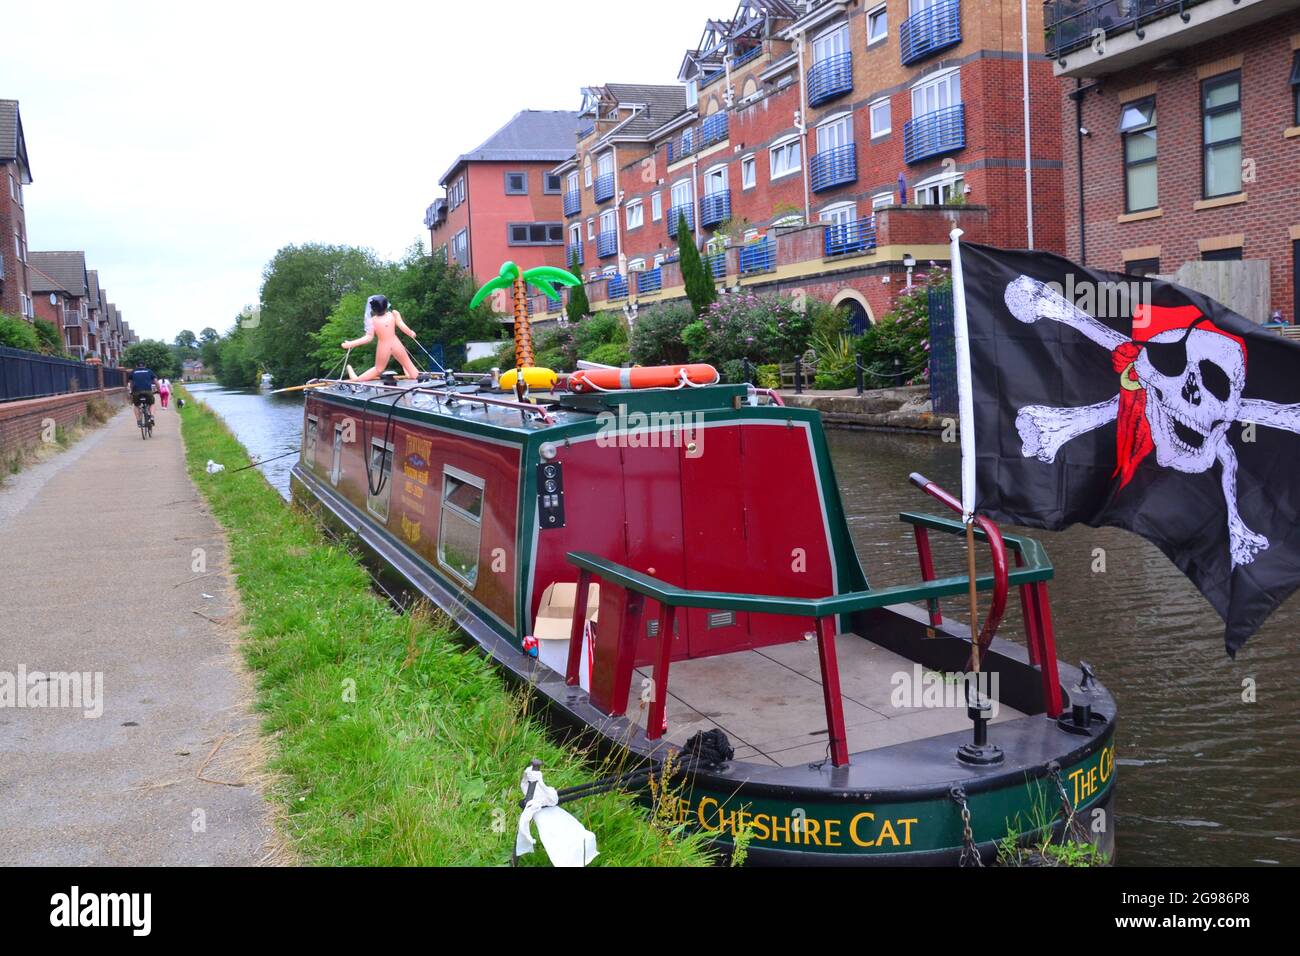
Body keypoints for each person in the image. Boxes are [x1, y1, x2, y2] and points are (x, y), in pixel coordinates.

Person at [342, 295, 420, 382]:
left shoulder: (372, 320)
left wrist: (351, 344)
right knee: (408, 364)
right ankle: (413, 374)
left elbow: (368, 338)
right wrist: (410, 332)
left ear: (373, 309)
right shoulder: (393, 314)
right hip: (395, 344)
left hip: (384, 346)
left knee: (379, 369)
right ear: (386, 305)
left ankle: (357, 379)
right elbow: (401, 325)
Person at [129, 362, 156, 427]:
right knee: (152, 403)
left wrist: (131, 391)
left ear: (136, 366)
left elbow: (131, 384)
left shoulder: (133, 372)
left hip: (136, 392)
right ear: (145, 365)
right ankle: (152, 416)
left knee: (136, 405)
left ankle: (139, 421)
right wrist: (159, 390)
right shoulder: (149, 371)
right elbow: (156, 382)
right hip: (148, 391)